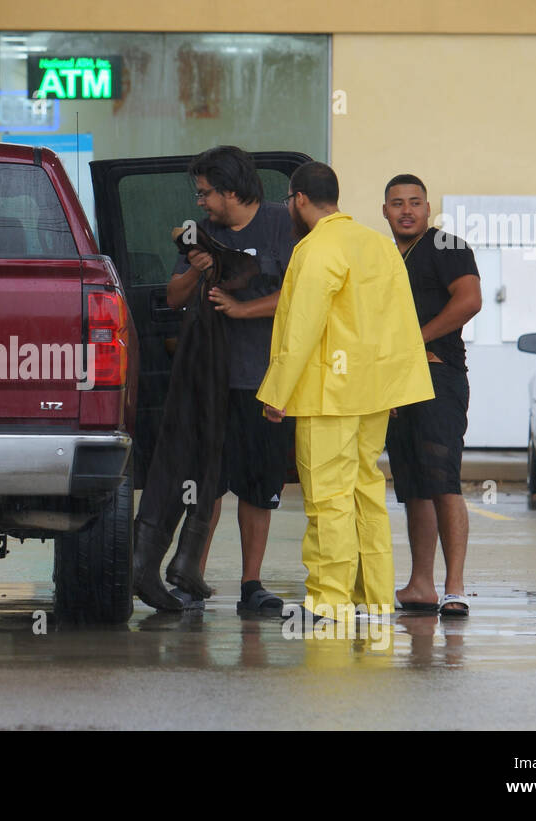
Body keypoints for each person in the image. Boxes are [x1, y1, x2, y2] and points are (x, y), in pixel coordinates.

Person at [255, 161, 433, 622]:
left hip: (326, 394)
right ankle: (371, 598)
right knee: (365, 493)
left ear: (298, 199)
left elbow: (302, 325)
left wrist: (277, 390)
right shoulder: (377, 244)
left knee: (328, 498)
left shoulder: (316, 249)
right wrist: (394, 388)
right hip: (371, 393)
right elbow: (398, 321)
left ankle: (329, 600)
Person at [161, 145, 295, 614]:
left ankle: (251, 584)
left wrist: (242, 308)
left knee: (259, 486)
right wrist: (196, 272)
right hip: (211, 378)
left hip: (266, 378)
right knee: (206, 484)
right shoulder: (200, 232)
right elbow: (173, 297)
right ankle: (188, 576)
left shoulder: (282, 223)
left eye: (205, 193)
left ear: (231, 190)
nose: (199, 203)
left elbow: (299, 295)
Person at [381, 174, 482, 617]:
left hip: (438, 376)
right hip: (392, 381)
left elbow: (470, 300)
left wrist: (417, 339)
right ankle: (420, 584)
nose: (406, 210)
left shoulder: (447, 247)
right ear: (384, 210)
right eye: (397, 203)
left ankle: (454, 587)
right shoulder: (382, 256)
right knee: (412, 487)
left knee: (442, 480)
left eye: (415, 202)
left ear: (428, 208)